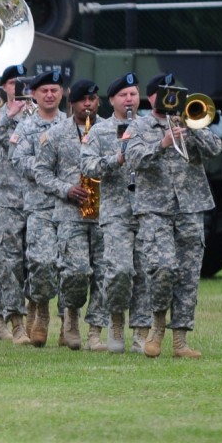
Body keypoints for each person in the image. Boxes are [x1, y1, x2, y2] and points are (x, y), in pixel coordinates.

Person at [125, 73, 222, 357]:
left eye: (175, 92)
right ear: (152, 97)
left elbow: (215, 149)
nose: (171, 97)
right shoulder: (139, 125)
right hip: (155, 210)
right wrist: (162, 143)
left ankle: (180, 341)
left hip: (190, 207)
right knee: (163, 268)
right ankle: (156, 326)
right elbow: (132, 159)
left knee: (189, 276)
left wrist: (192, 128)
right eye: (165, 93)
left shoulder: (189, 121)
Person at [34, 79, 109, 350]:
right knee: (75, 271)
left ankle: (95, 332)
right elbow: (40, 172)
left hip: (104, 212)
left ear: (98, 101)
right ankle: (71, 318)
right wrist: (66, 189)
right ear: (73, 103)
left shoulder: (108, 129)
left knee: (103, 272)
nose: (87, 104)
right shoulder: (56, 133)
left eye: (92, 99)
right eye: (82, 100)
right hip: (69, 212)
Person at [81, 72, 152, 353]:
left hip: (147, 210)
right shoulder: (98, 131)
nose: (129, 99)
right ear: (111, 100)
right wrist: (116, 159)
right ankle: (116, 320)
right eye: (123, 95)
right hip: (116, 213)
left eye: (133, 94)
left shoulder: (147, 127)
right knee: (120, 271)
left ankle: (141, 332)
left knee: (146, 273)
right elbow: (87, 166)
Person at [10, 69, 67, 346]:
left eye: (54, 90)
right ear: (34, 94)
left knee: (71, 266)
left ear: (62, 93)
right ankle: (41, 309)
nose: (49, 94)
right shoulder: (26, 127)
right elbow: (18, 160)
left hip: (70, 205)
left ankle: (70, 322)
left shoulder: (72, 124)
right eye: (43, 90)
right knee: (41, 262)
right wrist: (48, 169)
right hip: (40, 205)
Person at [0, 64, 33, 344]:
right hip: (5, 199)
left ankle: (37, 312)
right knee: (9, 263)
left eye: (24, 83)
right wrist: (9, 118)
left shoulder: (40, 116)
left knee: (37, 262)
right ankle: (15, 322)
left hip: (38, 198)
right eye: (14, 82)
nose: (19, 88)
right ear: (4, 87)